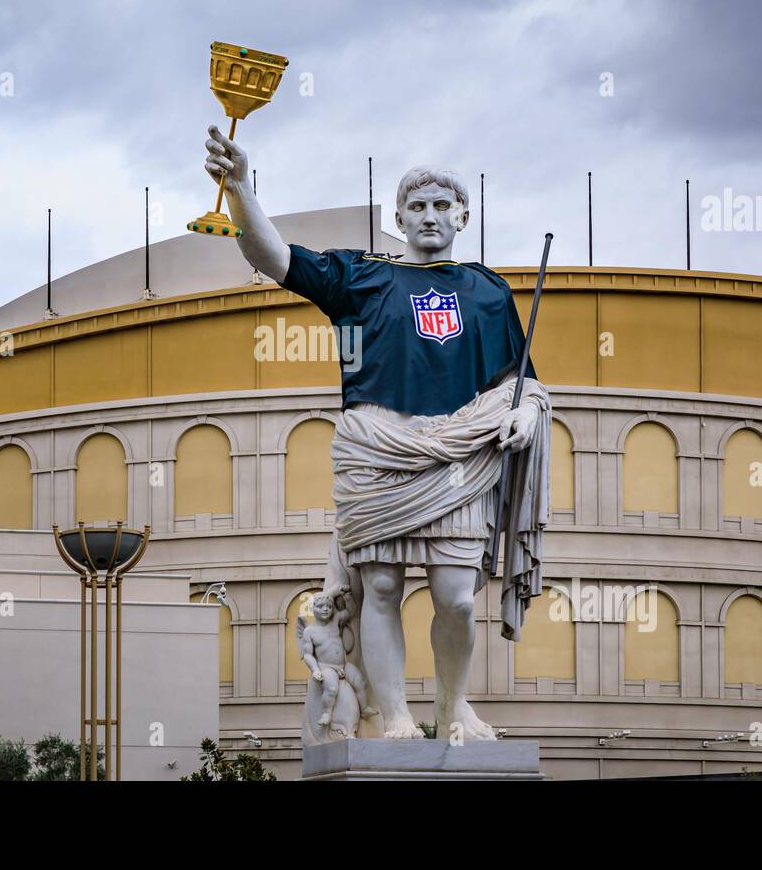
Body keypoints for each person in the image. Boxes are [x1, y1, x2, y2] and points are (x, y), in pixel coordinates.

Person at [202, 125, 548, 739]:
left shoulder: (488, 291)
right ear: (399, 216)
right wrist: (240, 190)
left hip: (459, 459)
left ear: (463, 215)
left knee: (458, 598)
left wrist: (525, 412)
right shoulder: (363, 278)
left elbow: (515, 381)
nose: (430, 216)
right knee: (381, 588)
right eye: (417, 206)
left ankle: (453, 708)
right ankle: (393, 717)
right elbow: (273, 258)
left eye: (443, 205)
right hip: (376, 452)